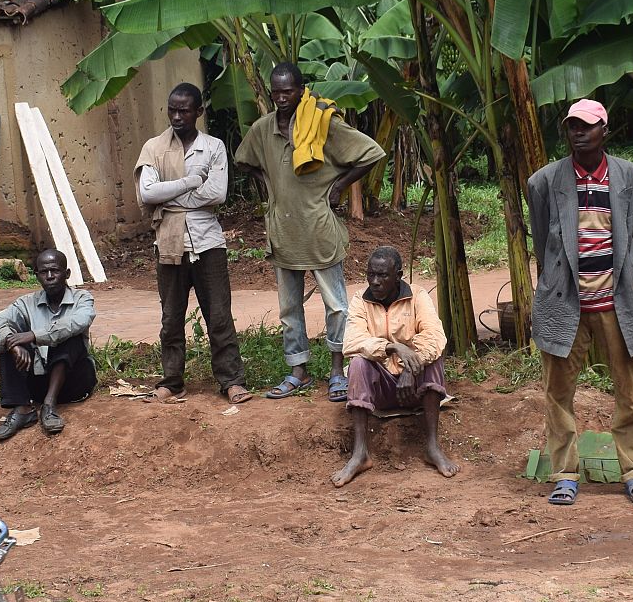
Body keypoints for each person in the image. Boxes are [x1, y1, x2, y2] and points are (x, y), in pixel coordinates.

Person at [526, 97, 633, 508]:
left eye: (587, 126)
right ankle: (565, 474)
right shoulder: (544, 182)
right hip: (566, 303)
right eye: (572, 126)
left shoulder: (632, 178)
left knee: (632, 391)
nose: (578, 132)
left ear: (605, 130)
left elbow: (630, 240)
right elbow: (545, 241)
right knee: (558, 393)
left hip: (616, 303)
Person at [233, 62, 386, 403]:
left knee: (336, 306)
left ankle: (336, 371)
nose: (282, 98)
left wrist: (340, 186)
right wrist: (270, 185)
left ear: (301, 91)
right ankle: (297, 370)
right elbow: (243, 160)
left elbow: (372, 152)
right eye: (276, 92)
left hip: (318, 230)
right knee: (289, 308)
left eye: (288, 91)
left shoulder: (322, 124)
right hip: (284, 230)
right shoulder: (263, 129)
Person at [136, 83, 250, 405]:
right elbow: (147, 194)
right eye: (172, 109)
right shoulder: (154, 148)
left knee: (219, 315)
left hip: (208, 243)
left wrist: (168, 194)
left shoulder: (213, 147)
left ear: (198, 112)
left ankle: (231, 381)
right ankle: (172, 382)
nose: (176, 116)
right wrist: (189, 182)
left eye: (184, 110)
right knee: (171, 318)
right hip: (169, 243)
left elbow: (218, 193)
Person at [332, 246, 458, 487]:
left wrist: (410, 367)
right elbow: (352, 341)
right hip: (380, 391)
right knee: (358, 362)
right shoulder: (360, 300)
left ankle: (432, 447)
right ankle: (360, 454)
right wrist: (392, 348)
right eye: (371, 274)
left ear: (398, 276)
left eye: (383, 276)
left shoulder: (418, 296)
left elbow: (435, 335)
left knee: (434, 358)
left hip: (414, 389)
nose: (375, 282)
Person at [0, 249, 98, 442]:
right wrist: (12, 344)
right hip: (37, 384)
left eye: (55, 271)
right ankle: (22, 409)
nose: (49, 276)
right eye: (43, 272)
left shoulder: (82, 298)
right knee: (8, 338)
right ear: (36, 275)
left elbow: (79, 321)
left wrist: (33, 335)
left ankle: (49, 405)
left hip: (75, 383)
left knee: (69, 337)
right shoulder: (27, 302)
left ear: (67, 273)